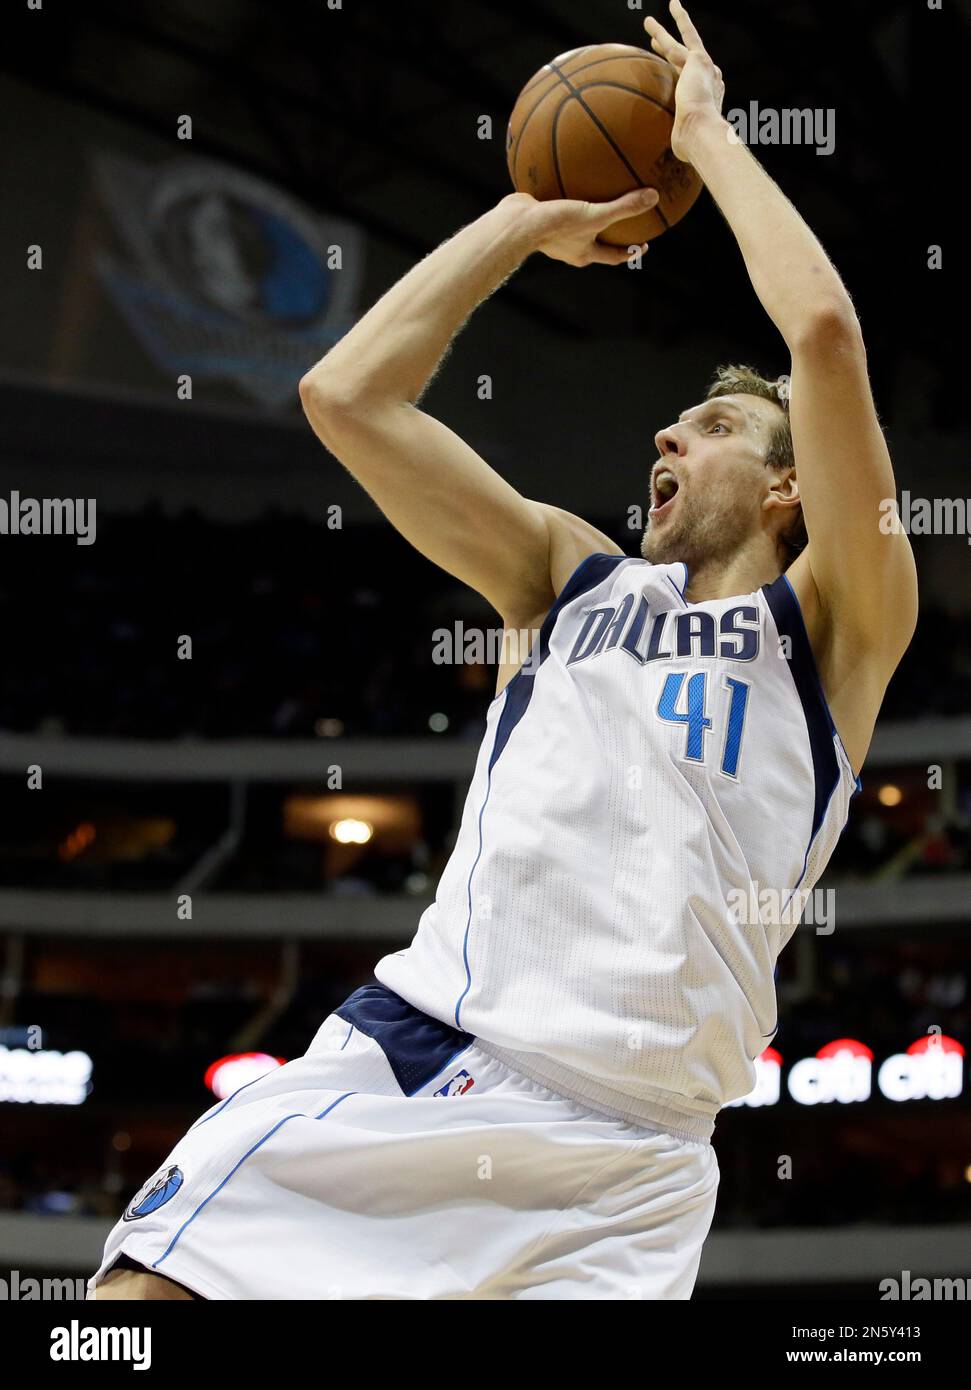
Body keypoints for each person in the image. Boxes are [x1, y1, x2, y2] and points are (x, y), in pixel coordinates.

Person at [91, 1, 917, 1300]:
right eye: (670, 425)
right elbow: (345, 398)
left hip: (640, 1161)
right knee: (134, 1311)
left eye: (706, 428)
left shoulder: (836, 628)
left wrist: (706, 131)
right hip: (431, 1055)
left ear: (787, 489)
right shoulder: (566, 575)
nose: (666, 441)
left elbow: (824, 337)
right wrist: (526, 221)